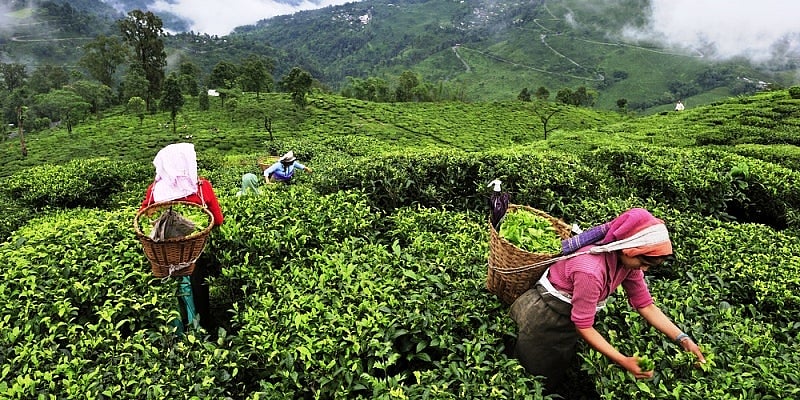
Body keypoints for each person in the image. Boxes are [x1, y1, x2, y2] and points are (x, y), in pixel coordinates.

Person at [510, 208, 705, 389]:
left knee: (554, 368)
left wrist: (683, 339)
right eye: (643, 262)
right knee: (532, 376)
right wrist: (623, 360)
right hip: (544, 318)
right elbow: (584, 326)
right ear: (628, 249)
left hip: (566, 318)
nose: (644, 269)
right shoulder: (590, 271)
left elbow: (645, 305)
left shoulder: (626, 264)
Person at [139, 143, 224, 332]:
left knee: (169, 295)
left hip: (163, 256)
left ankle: (174, 333)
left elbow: (143, 216)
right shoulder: (201, 187)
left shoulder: (155, 190)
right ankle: (201, 330)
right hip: (194, 254)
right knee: (198, 290)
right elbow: (218, 220)